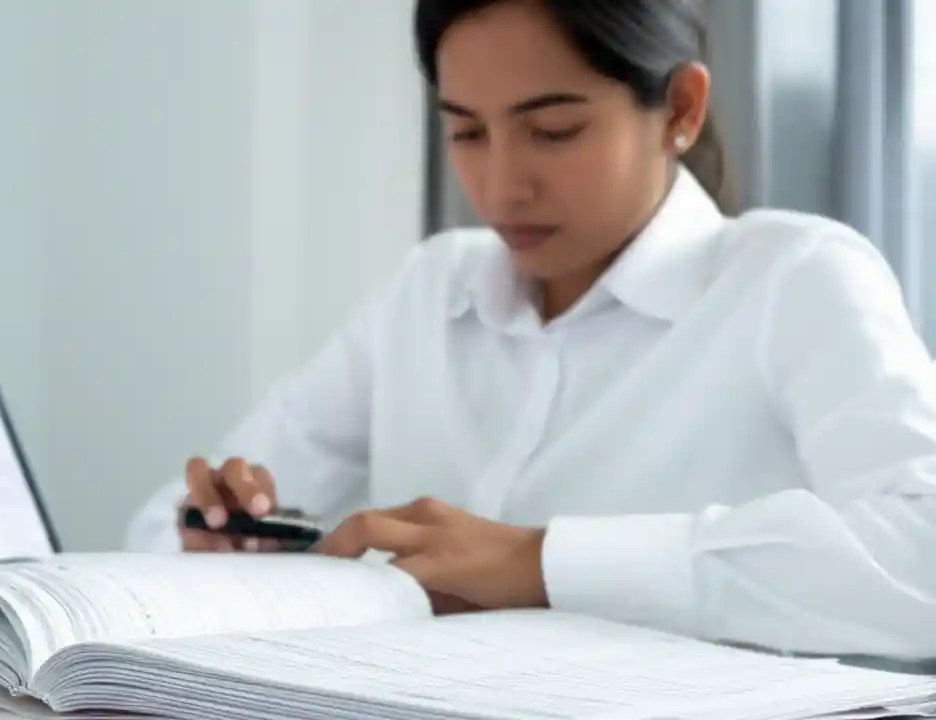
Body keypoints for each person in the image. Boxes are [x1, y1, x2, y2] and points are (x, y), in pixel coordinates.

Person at [126, 0, 936, 659]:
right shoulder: (429, 292)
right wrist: (235, 557)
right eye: (467, 132)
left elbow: (923, 563)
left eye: (554, 130)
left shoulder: (792, 278)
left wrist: (542, 562)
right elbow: (160, 527)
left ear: (680, 110)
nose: (502, 184)